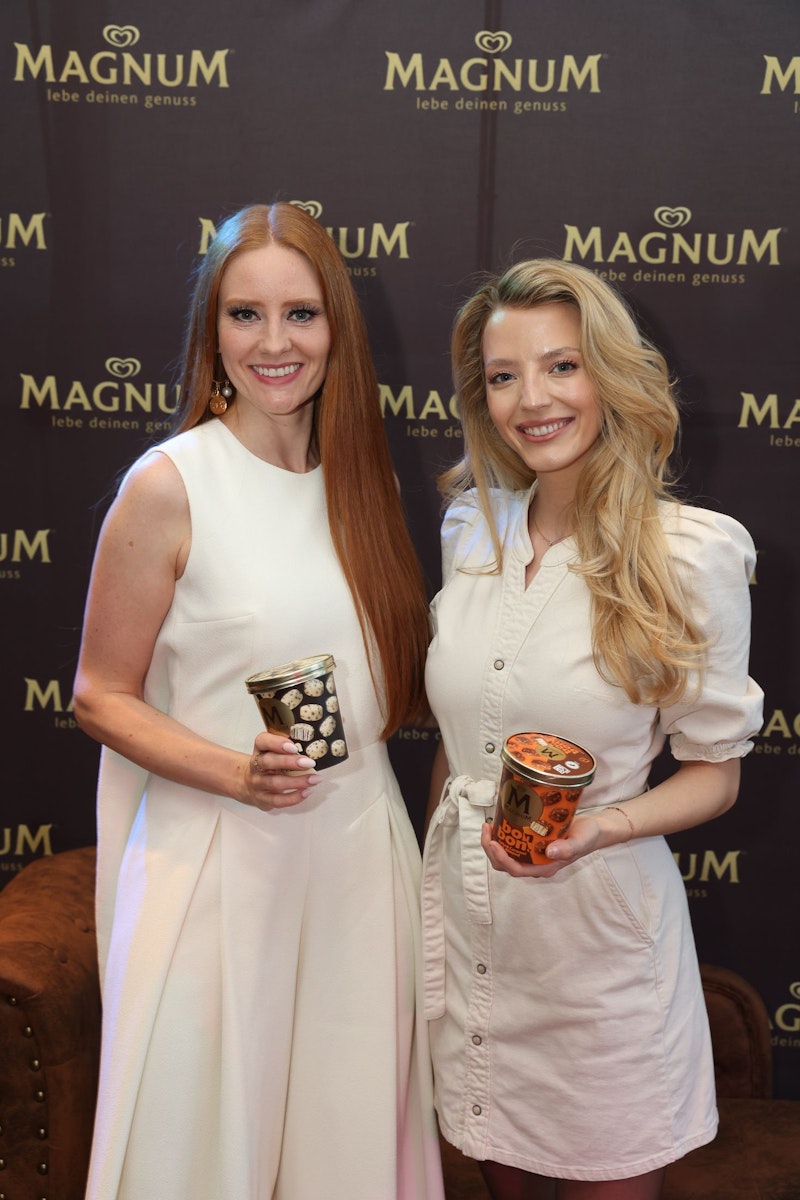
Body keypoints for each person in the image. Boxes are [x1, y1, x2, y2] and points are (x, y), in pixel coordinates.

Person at [73, 202, 445, 1200]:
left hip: (357, 869)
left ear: (336, 329)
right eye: (246, 314)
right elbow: (100, 697)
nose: (274, 343)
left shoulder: (363, 483)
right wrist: (235, 772)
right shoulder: (169, 485)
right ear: (213, 330)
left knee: (342, 1151)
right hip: (216, 871)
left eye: (300, 314)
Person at [422, 259, 764, 1200]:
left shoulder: (688, 554)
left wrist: (599, 828)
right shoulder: (471, 530)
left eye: (561, 366)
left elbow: (715, 774)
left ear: (610, 375)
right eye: (503, 375)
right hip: (471, 932)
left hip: (596, 952)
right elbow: (460, 741)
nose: (532, 399)